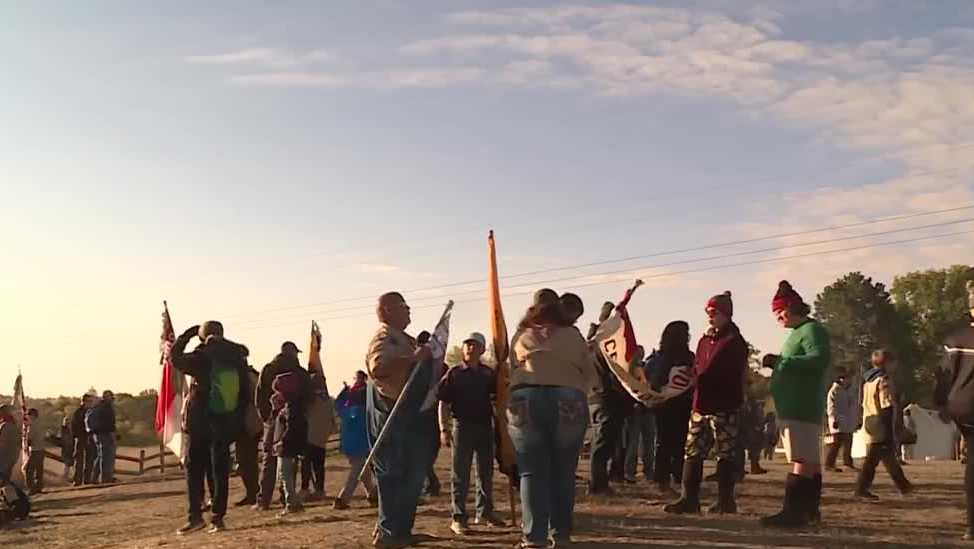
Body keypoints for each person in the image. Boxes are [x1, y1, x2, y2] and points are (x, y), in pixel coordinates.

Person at [508, 291, 596, 548]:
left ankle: (534, 537)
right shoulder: (573, 335)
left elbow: (510, 367)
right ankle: (560, 533)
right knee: (564, 471)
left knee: (531, 471)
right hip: (567, 397)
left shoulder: (521, 335)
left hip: (525, 397)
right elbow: (589, 373)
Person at [665, 291, 748, 515]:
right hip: (700, 404)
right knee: (692, 450)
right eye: (708, 312)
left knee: (725, 453)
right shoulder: (703, 341)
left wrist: (701, 378)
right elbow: (699, 366)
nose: (710, 316)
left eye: (714, 312)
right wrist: (691, 376)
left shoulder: (734, 342)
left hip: (724, 405)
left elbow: (728, 373)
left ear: (726, 314)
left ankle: (725, 501)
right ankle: (689, 498)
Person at [366, 292, 437, 549]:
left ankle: (402, 531)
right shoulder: (384, 338)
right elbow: (378, 368)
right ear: (388, 310)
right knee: (392, 475)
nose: (409, 310)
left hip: (412, 416)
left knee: (413, 476)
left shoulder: (405, 339)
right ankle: (387, 532)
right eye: (403, 306)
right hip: (392, 416)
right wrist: (413, 359)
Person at [171, 320, 252, 535]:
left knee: (194, 470)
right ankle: (218, 518)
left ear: (202, 336)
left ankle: (195, 517)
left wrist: (186, 335)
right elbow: (245, 392)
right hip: (225, 422)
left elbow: (175, 358)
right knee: (219, 472)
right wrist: (235, 418)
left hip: (200, 422)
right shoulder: (237, 357)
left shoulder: (203, 356)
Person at [761, 281, 831, 528]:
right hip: (797, 405)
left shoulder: (811, 330)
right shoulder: (800, 332)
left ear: (791, 307)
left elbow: (819, 359)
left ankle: (793, 513)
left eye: (780, 311)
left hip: (800, 405)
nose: (777, 317)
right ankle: (810, 511)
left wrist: (782, 362)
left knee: (801, 459)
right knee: (810, 460)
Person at [438, 332, 506, 536]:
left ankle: (484, 512)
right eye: (467, 344)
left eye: (474, 345)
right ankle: (458, 517)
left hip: (485, 426)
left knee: (485, 472)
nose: (470, 348)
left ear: (482, 349)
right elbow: (443, 402)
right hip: (462, 426)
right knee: (460, 474)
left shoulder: (488, 373)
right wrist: (443, 428)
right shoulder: (454, 373)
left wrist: (503, 374)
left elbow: (499, 397)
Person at [935, 281, 974, 541]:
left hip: (962, 406)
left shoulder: (955, 340)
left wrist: (940, 404)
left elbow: (943, 375)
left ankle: (972, 525)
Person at [254, 341, 311, 511]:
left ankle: (263, 499)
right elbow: (309, 395)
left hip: (273, 418)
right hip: (295, 415)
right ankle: (285, 497)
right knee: (289, 458)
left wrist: (266, 417)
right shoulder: (300, 373)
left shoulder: (268, 369)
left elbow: (259, 395)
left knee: (269, 460)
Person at [587, 299, 635, 496]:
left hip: (595, 396)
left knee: (603, 442)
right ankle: (598, 484)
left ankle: (599, 481)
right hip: (606, 397)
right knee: (603, 444)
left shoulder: (593, 342)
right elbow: (615, 374)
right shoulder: (607, 345)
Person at [854, 350, 913, 500]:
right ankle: (861, 488)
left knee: (887, 456)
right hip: (881, 421)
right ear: (887, 363)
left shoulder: (867, 380)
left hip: (869, 419)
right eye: (893, 362)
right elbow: (886, 404)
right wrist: (895, 425)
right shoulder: (883, 380)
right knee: (872, 459)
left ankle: (904, 485)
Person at [647, 321, 694, 497]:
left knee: (664, 443)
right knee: (680, 443)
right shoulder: (688, 358)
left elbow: (655, 381)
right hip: (682, 404)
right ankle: (678, 478)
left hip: (664, 405)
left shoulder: (661, 357)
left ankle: (662, 480)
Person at [333, 371, 377, 510]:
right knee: (357, 470)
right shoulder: (365, 411)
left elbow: (337, 404)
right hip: (361, 444)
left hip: (349, 444)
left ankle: (373, 495)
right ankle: (342, 498)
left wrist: (344, 392)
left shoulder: (346, 410)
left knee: (363, 470)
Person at [272, 372, 309, 516]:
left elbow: (292, 427)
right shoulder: (294, 405)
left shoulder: (292, 407)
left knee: (285, 474)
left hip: (288, 445)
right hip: (291, 444)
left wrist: (282, 441)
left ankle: (292, 503)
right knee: (284, 475)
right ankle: (292, 502)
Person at [302, 361, 333, 503]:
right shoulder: (328, 400)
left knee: (307, 464)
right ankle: (319, 489)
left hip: (310, 435)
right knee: (319, 465)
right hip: (322, 437)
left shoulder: (311, 399)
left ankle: (305, 489)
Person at [624, 347, 656, 483]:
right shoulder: (633, 370)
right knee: (637, 442)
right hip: (638, 408)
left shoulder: (643, 368)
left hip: (645, 409)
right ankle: (634, 471)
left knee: (644, 442)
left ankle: (644, 471)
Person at [234, 364, 261, 507]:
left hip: (248, 423)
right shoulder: (250, 375)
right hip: (249, 422)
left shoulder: (246, 376)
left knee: (246, 460)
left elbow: (253, 399)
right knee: (246, 459)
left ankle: (253, 492)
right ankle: (253, 491)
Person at [825, 369, 858, 472]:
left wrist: (856, 419)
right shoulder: (834, 390)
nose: (849, 380)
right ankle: (829, 464)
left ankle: (848, 462)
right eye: (847, 378)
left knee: (848, 443)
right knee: (836, 444)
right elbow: (831, 407)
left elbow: (852, 406)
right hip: (838, 421)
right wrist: (834, 419)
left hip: (848, 422)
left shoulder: (848, 391)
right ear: (841, 379)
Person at [90, 391, 117, 485]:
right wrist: (112, 434)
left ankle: (94, 478)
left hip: (98, 434)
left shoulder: (98, 407)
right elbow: (109, 423)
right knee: (105, 457)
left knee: (101, 456)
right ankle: (105, 478)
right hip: (104, 434)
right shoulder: (105, 407)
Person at [71, 394, 95, 486]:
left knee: (90, 459)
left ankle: (87, 479)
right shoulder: (78, 412)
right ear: (84, 401)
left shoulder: (91, 411)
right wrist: (76, 436)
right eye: (89, 401)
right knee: (79, 460)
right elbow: (74, 426)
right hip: (80, 437)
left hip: (89, 437)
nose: (90, 403)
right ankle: (77, 480)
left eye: (91, 401)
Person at [24, 409, 45, 495]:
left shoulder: (32, 425)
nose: (27, 416)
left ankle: (32, 488)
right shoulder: (41, 424)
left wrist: (26, 445)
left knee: (28, 470)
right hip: (41, 449)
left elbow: (29, 439)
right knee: (39, 470)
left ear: (32, 415)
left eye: (28, 415)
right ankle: (39, 487)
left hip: (35, 450)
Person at [0, 405, 20, 483]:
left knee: (4, 472)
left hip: (6, 453)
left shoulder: (7, 425)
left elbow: (3, 442)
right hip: (10, 453)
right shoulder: (10, 423)